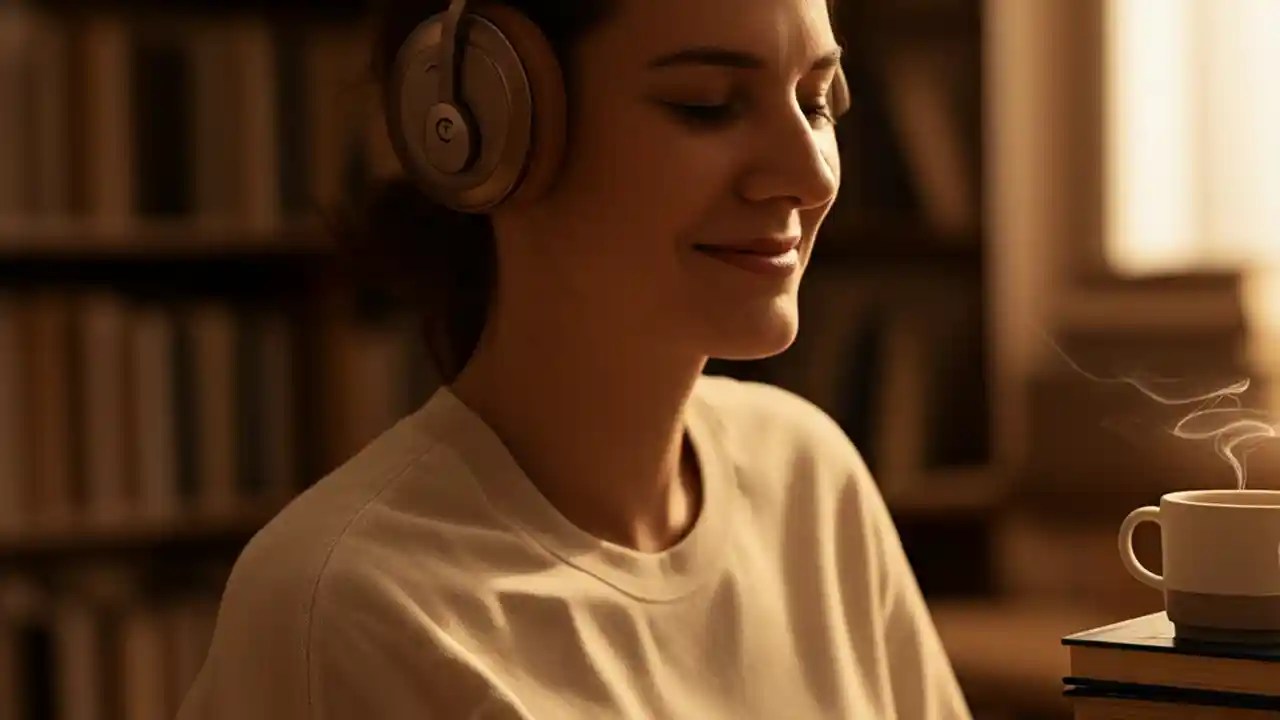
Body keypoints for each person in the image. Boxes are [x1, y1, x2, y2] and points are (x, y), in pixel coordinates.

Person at [176, 0, 973, 717]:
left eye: (816, 101)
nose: (810, 175)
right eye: (707, 105)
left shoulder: (810, 479)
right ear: (490, 117)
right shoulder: (348, 608)